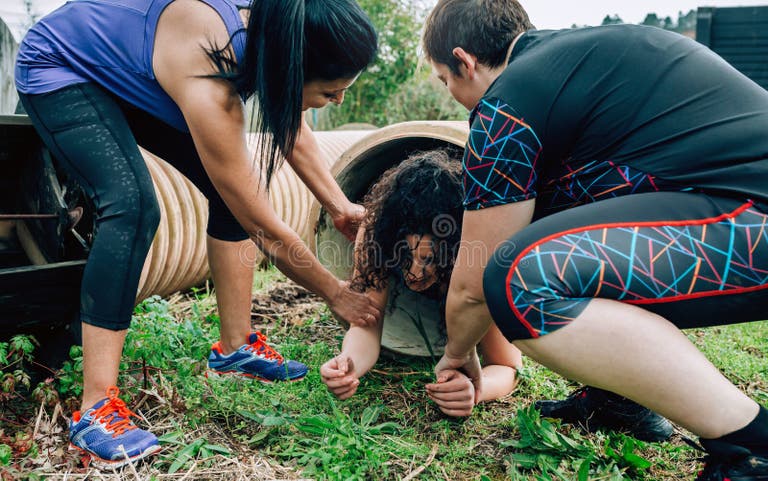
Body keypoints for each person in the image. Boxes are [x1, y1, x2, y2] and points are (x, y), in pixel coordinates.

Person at [15, 0, 383, 469]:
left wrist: (340, 206)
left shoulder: (278, 37)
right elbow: (260, 225)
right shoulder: (212, 65)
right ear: (295, 70)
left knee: (235, 188)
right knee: (133, 206)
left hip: (136, 75)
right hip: (62, 66)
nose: (340, 102)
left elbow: (293, 131)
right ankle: (95, 409)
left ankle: (234, 347)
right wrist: (335, 292)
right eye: (333, 91)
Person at [422, 1, 768, 479]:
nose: (453, 96)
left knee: (517, 278)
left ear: (465, 60)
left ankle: (753, 446)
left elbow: (473, 280)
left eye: (445, 80)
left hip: (752, 220)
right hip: (738, 208)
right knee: (563, 230)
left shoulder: (507, 104)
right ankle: (617, 403)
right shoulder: (580, 64)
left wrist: (457, 355)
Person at [320, 151, 521, 417]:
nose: (414, 273)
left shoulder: (477, 256)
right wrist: (349, 363)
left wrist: (476, 389)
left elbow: (507, 365)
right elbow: (366, 325)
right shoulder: (376, 231)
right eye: (404, 255)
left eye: (430, 259)